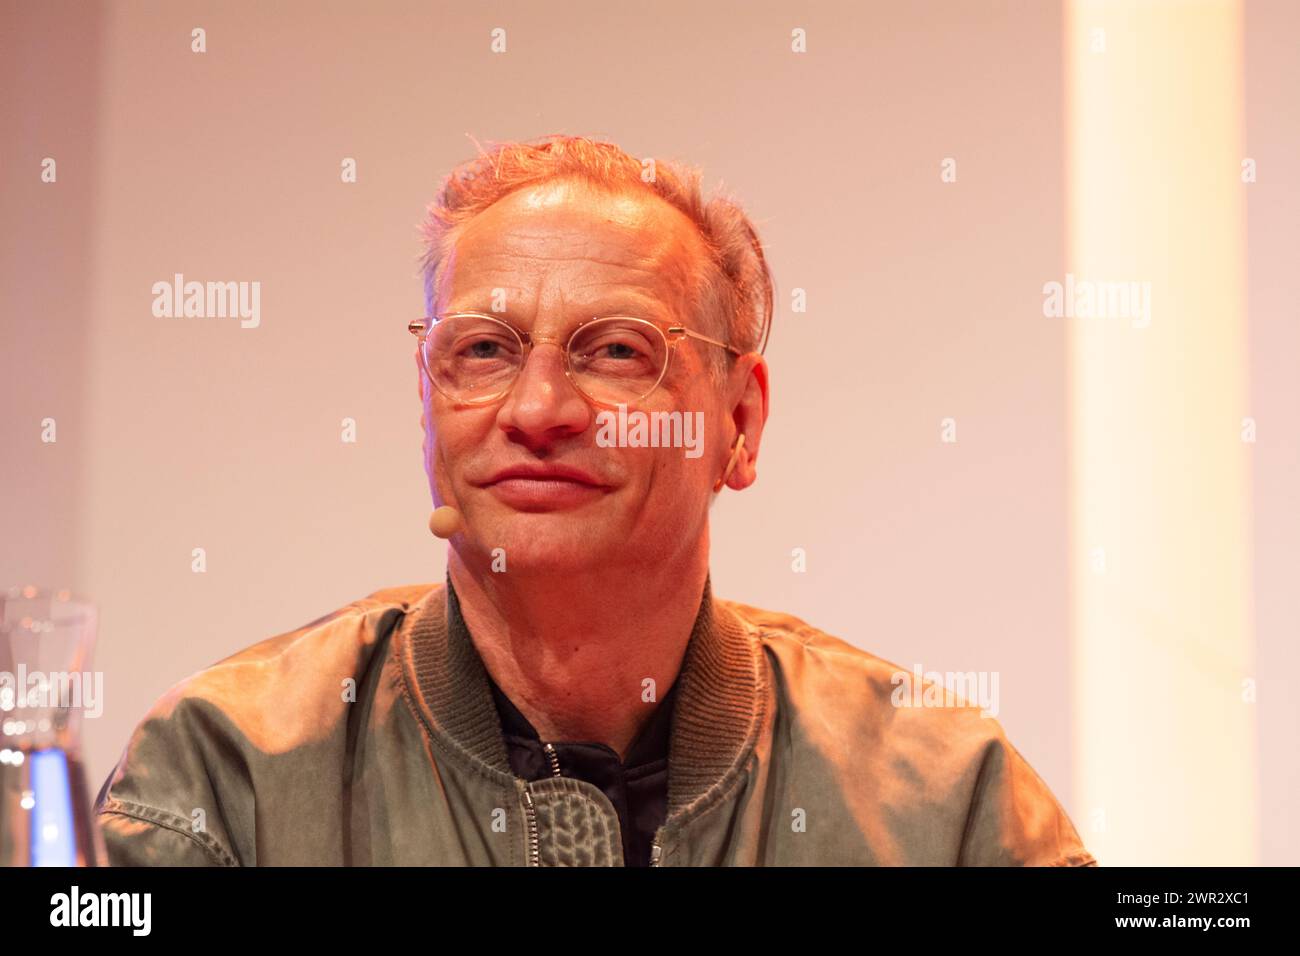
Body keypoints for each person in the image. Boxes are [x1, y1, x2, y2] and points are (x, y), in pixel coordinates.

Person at [95, 135, 1097, 867]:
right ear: (428, 404)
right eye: (481, 350)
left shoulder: (941, 796)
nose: (536, 409)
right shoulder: (224, 772)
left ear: (739, 422)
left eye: (616, 350)